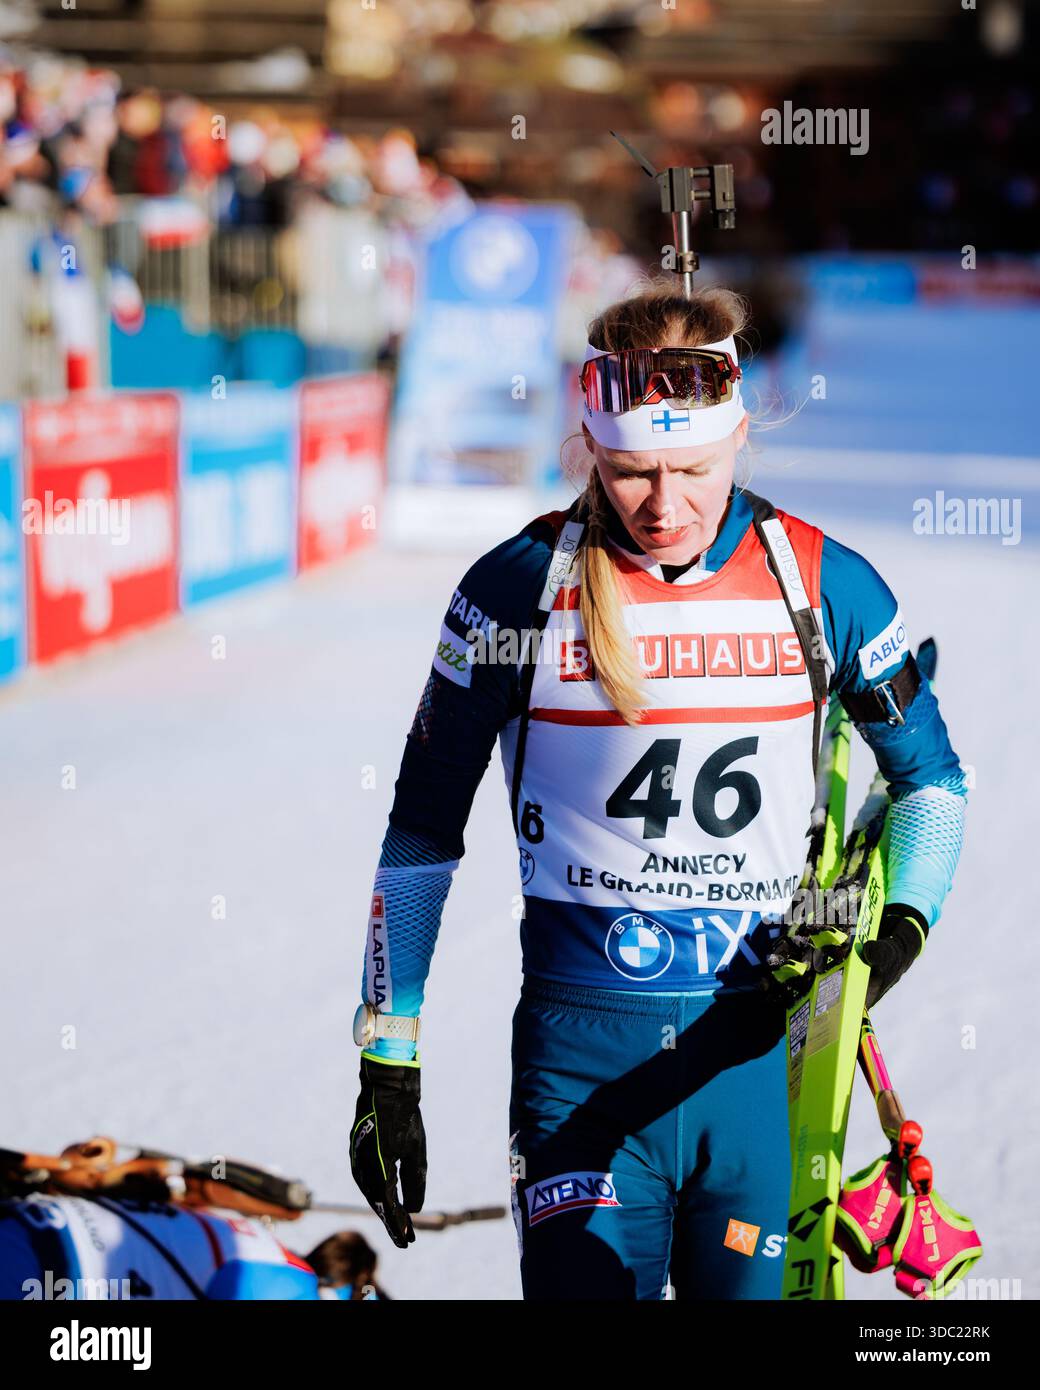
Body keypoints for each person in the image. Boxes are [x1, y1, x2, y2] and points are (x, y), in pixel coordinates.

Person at [349, 283, 966, 1300]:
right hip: (576, 1070)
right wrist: (388, 1056)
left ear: (740, 435)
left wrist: (892, 933)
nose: (663, 504)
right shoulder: (515, 588)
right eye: (630, 471)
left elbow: (930, 784)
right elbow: (420, 830)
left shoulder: (820, 581)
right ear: (590, 445)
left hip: (747, 1068)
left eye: (692, 469)